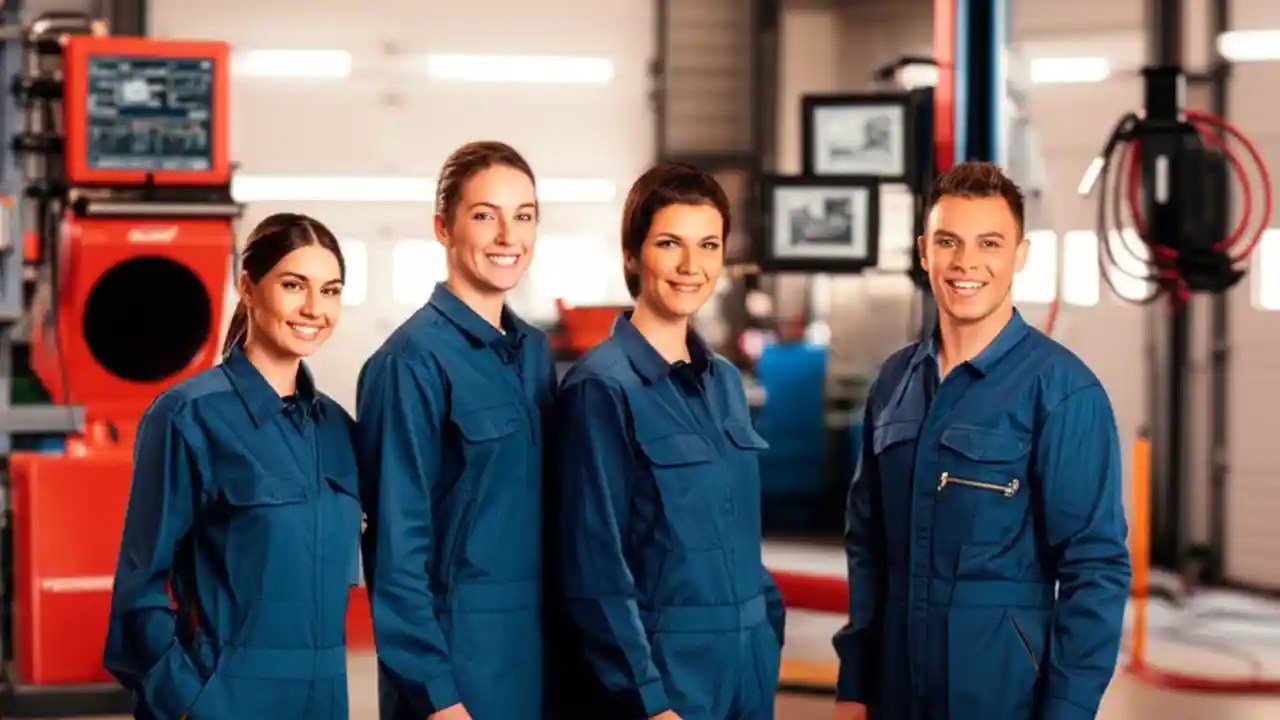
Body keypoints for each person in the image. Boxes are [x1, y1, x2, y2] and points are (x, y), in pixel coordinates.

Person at [833, 162, 1131, 720]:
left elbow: (1096, 569)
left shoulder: (1062, 392)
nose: (966, 263)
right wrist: (855, 681)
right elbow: (867, 544)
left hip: (1003, 691)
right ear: (925, 251)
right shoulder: (896, 382)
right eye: (949, 241)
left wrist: (1067, 710)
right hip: (896, 684)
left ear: (1019, 254)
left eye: (989, 243)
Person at [103, 212, 361, 719]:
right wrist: (190, 704)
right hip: (225, 695)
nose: (314, 308)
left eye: (330, 290)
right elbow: (138, 589)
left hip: (327, 694)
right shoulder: (188, 415)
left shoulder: (337, 429)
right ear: (248, 287)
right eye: (294, 285)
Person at [552, 163, 786, 719]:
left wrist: (766, 630)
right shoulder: (600, 388)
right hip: (666, 680)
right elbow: (594, 568)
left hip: (745, 669)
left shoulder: (725, 382)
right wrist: (647, 699)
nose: (690, 265)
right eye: (669, 243)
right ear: (631, 255)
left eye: (708, 245)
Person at [354, 141, 557, 720]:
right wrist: (437, 694)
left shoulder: (535, 354)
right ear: (443, 227)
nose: (507, 236)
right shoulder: (409, 363)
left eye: (523, 216)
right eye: (484, 215)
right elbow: (395, 549)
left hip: (536, 650)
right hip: (457, 656)